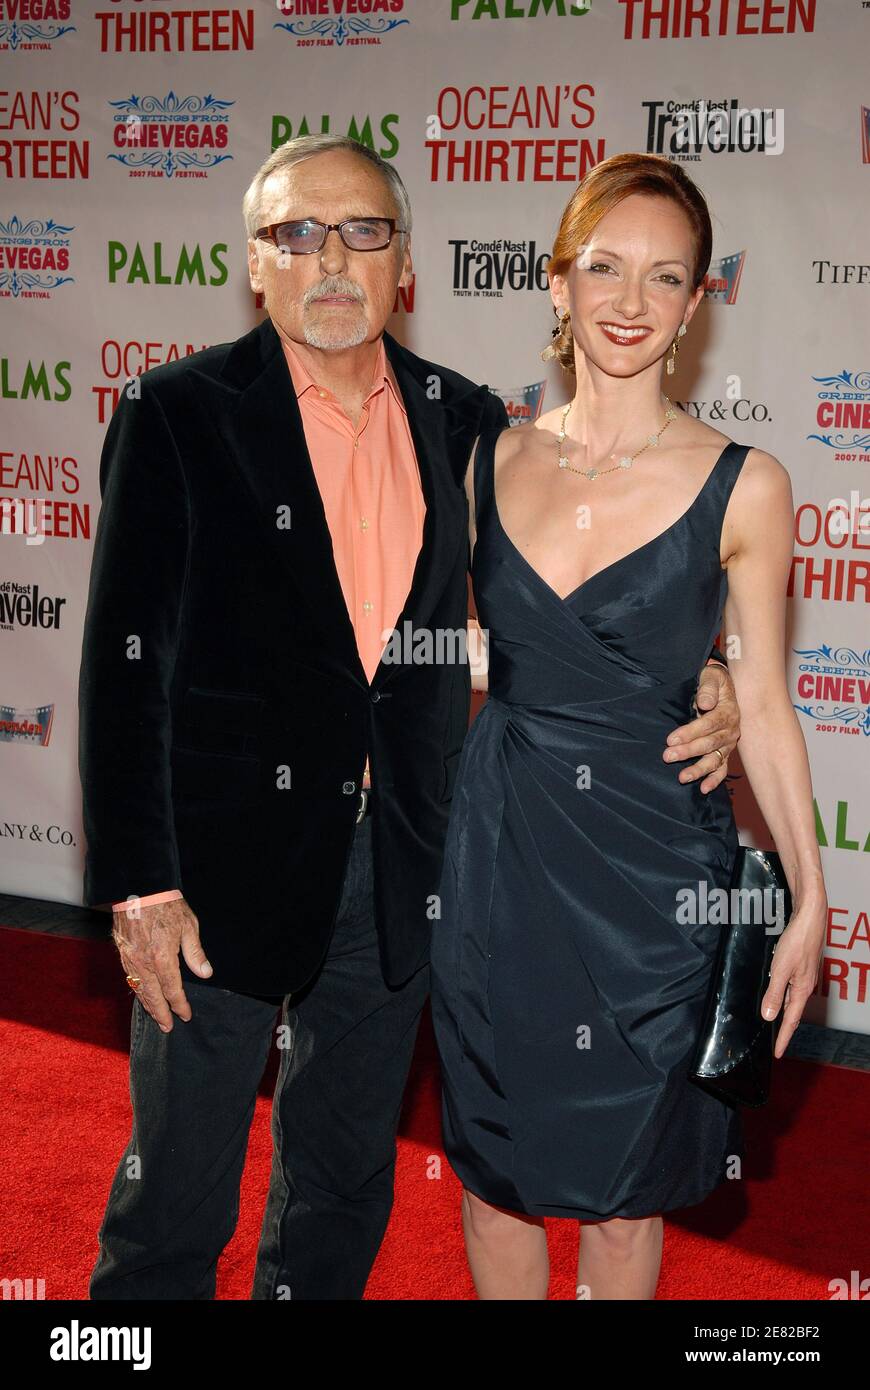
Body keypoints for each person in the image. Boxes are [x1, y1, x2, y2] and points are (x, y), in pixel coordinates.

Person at [79, 136, 741, 1301]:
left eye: (363, 232)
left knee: (341, 1182)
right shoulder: (179, 412)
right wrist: (140, 879)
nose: (332, 259)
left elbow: (599, 556)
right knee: (176, 1194)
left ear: (404, 265)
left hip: (405, 873)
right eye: (299, 233)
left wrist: (715, 666)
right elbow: (126, 665)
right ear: (256, 260)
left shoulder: (466, 426)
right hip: (218, 879)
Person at [429, 153, 827, 1301]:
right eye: (603, 266)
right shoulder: (485, 459)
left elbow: (763, 697)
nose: (629, 301)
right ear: (557, 282)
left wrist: (812, 893)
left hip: (656, 881)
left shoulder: (744, 483)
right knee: (495, 1176)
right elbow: (445, 654)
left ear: (697, 305)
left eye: (665, 277)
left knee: (625, 1197)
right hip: (502, 858)